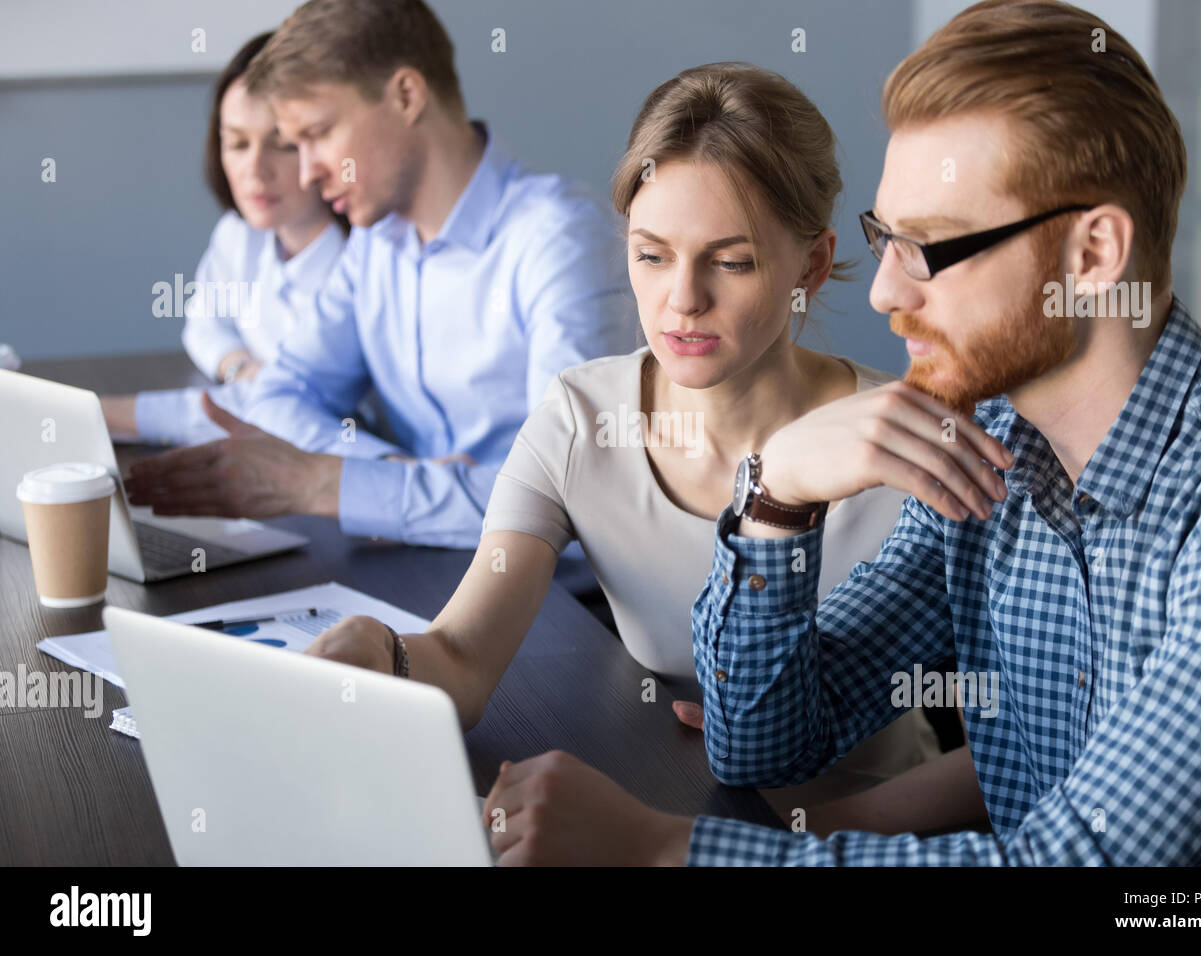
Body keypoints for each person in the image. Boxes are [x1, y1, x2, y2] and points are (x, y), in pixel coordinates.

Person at [476, 0, 1201, 866]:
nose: (883, 295)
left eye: (932, 249)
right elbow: (764, 745)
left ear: (1091, 257)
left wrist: (661, 851)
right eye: (886, 239)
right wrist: (776, 496)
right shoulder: (992, 449)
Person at [304, 62, 990, 826]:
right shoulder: (578, 419)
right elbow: (462, 656)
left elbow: (1006, 749)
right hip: (679, 806)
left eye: (732, 262)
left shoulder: (908, 445)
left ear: (814, 264)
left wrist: (772, 844)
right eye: (652, 254)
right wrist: (382, 655)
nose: (683, 299)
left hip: (865, 839)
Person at [122, 0, 636, 564]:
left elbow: (562, 498)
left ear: (406, 96)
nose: (307, 171)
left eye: (316, 134)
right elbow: (278, 394)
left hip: (558, 608)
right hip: (421, 562)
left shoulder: (559, 241)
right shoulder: (375, 244)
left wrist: (325, 483)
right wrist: (389, 474)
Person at [100, 32, 347, 446]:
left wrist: (106, 415)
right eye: (236, 143)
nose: (255, 169)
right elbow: (204, 324)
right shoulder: (240, 233)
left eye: (282, 145)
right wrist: (241, 369)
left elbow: (297, 408)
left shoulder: (362, 260)